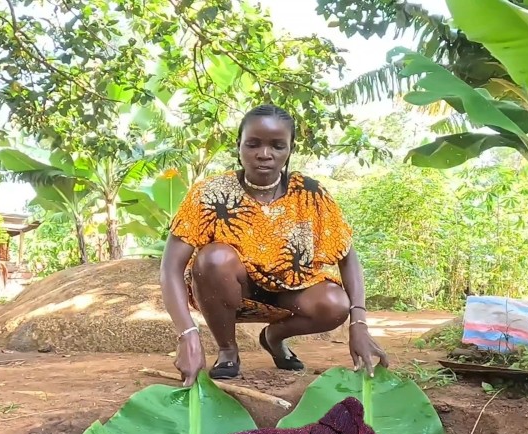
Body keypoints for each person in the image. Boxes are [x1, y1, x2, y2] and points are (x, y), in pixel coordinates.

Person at [160, 104, 389, 385]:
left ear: (290, 149)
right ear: (239, 145)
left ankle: (274, 337)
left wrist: (359, 322)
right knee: (214, 258)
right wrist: (187, 334)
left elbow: (348, 257)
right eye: (253, 144)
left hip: (292, 294)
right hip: (232, 292)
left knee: (334, 303)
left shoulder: (310, 194)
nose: (264, 154)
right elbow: (171, 268)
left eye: (277, 146)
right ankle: (227, 350)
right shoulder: (209, 194)